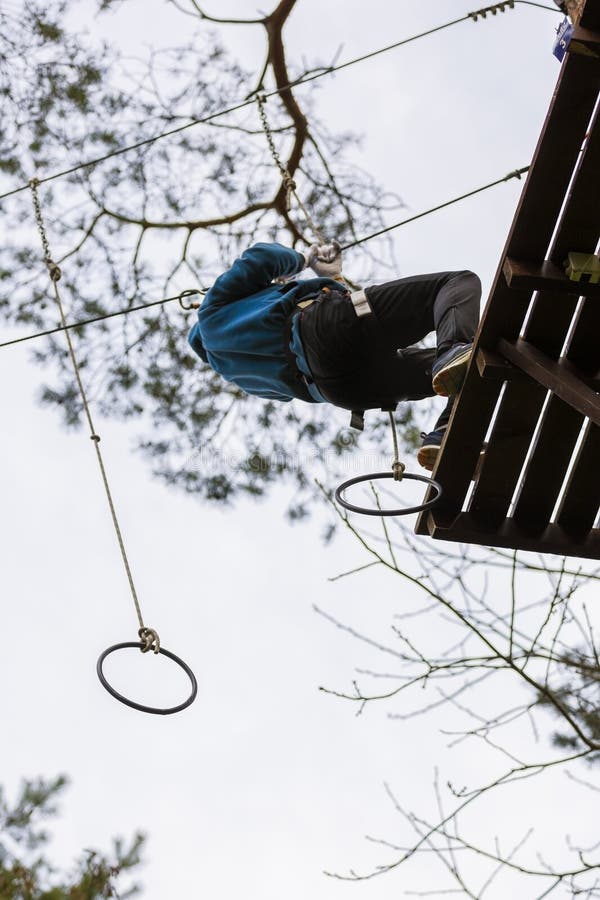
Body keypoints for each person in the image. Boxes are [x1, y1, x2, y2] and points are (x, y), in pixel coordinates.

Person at [188, 241, 480, 471]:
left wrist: (333, 279)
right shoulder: (211, 312)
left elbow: (330, 354)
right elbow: (259, 258)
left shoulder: (238, 375)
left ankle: (446, 434)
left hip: (342, 390)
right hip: (322, 328)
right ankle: (452, 348)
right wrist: (304, 260)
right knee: (456, 284)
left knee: (469, 363)